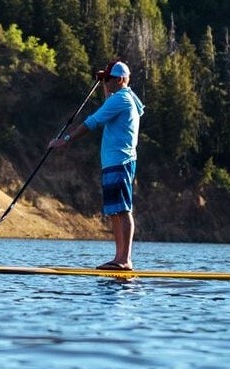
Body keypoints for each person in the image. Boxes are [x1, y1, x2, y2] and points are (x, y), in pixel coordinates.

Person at [48, 61, 145, 270]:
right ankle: (119, 258)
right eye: (104, 79)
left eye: (108, 79)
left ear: (120, 80)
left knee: (122, 209)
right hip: (113, 162)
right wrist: (103, 85)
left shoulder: (122, 99)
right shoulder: (121, 98)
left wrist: (65, 140)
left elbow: (93, 121)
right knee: (114, 210)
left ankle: (125, 260)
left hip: (121, 160)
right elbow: (107, 107)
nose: (106, 82)